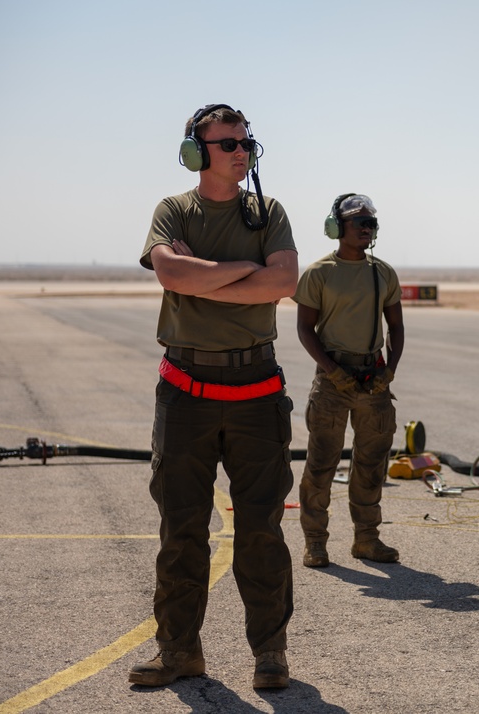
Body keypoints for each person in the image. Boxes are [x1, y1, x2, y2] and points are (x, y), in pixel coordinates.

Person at [129, 104, 298, 690]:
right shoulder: (173, 210)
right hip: (186, 395)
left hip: (256, 392)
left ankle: (270, 653)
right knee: (181, 531)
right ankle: (179, 652)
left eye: (245, 142)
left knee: (261, 531)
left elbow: (283, 283)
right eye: (226, 144)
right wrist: (244, 269)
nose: (240, 152)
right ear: (197, 153)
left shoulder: (268, 212)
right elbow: (174, 277)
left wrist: (213, 274)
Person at [293, 194, 404, 568]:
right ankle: (315, 542)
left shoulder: (383, 272)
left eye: (370, 222)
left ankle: (367, 540)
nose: (366, 227)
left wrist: (389, 371)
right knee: (321, 463)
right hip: (332, 382)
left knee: (372, 463)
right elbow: (305, 329)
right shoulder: (318, 273)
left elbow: (397, 328)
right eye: (358, 221)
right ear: (336, 228)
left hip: (373, 380)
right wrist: (332, 371)